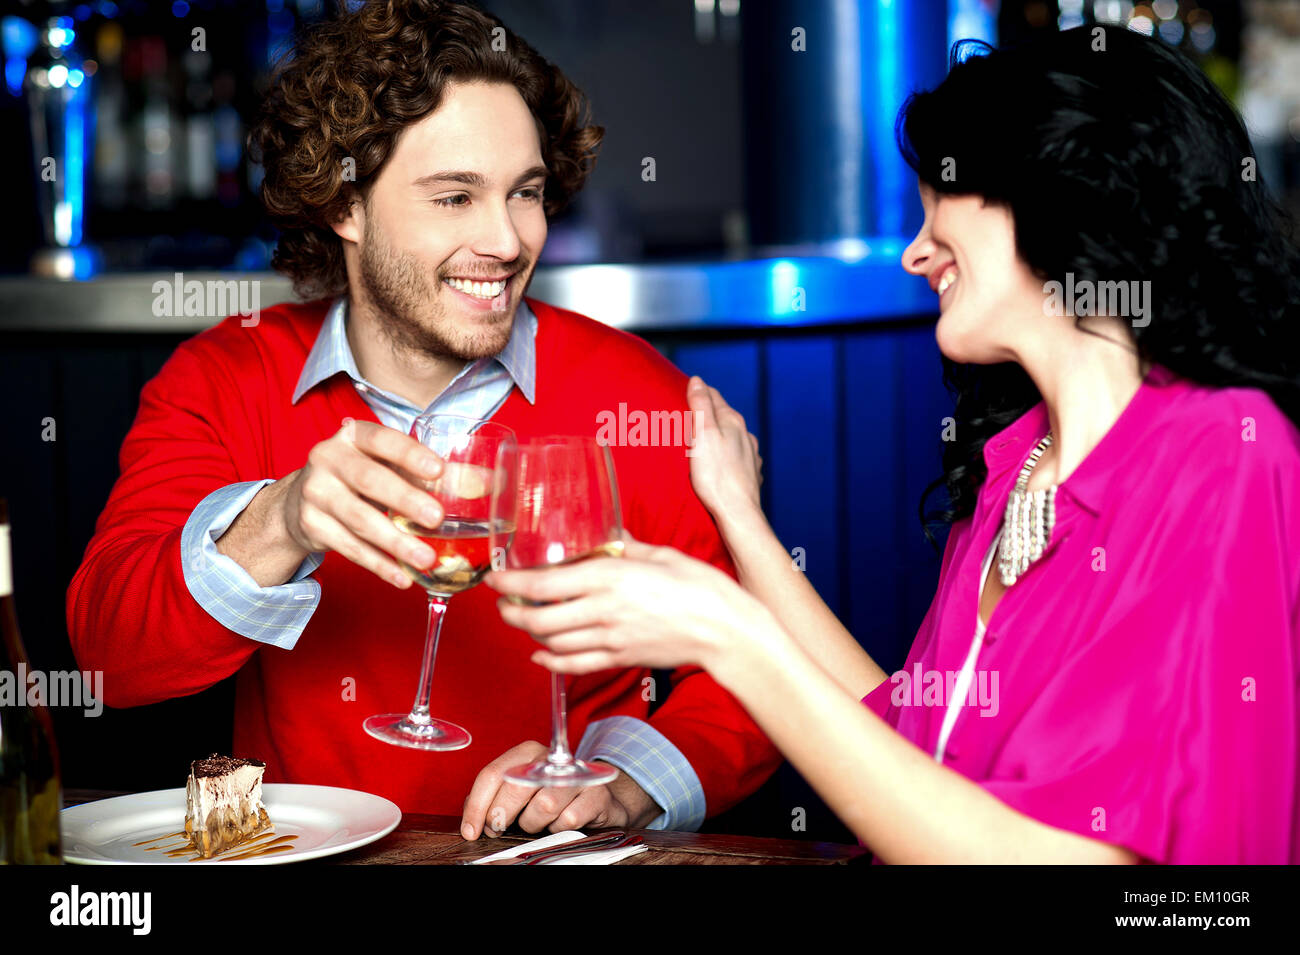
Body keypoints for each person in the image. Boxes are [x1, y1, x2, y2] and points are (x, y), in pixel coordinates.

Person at [486, 25, 1300, 863]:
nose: (915, 251)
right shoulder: (1016, 464)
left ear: (1064, 187)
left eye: (943, 197)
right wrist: (741, 523)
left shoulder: (1221, 453)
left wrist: (729, 635)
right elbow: (913, 735)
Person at [66, 0, 780, 838]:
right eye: (454, 198)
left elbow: (764, 666)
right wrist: (282, 518)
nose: (508, 241)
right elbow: (110, 659)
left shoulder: (640, 398)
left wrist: (630, 779)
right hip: (299, 861)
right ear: (346, 207)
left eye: (526, 193)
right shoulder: (223, 377)